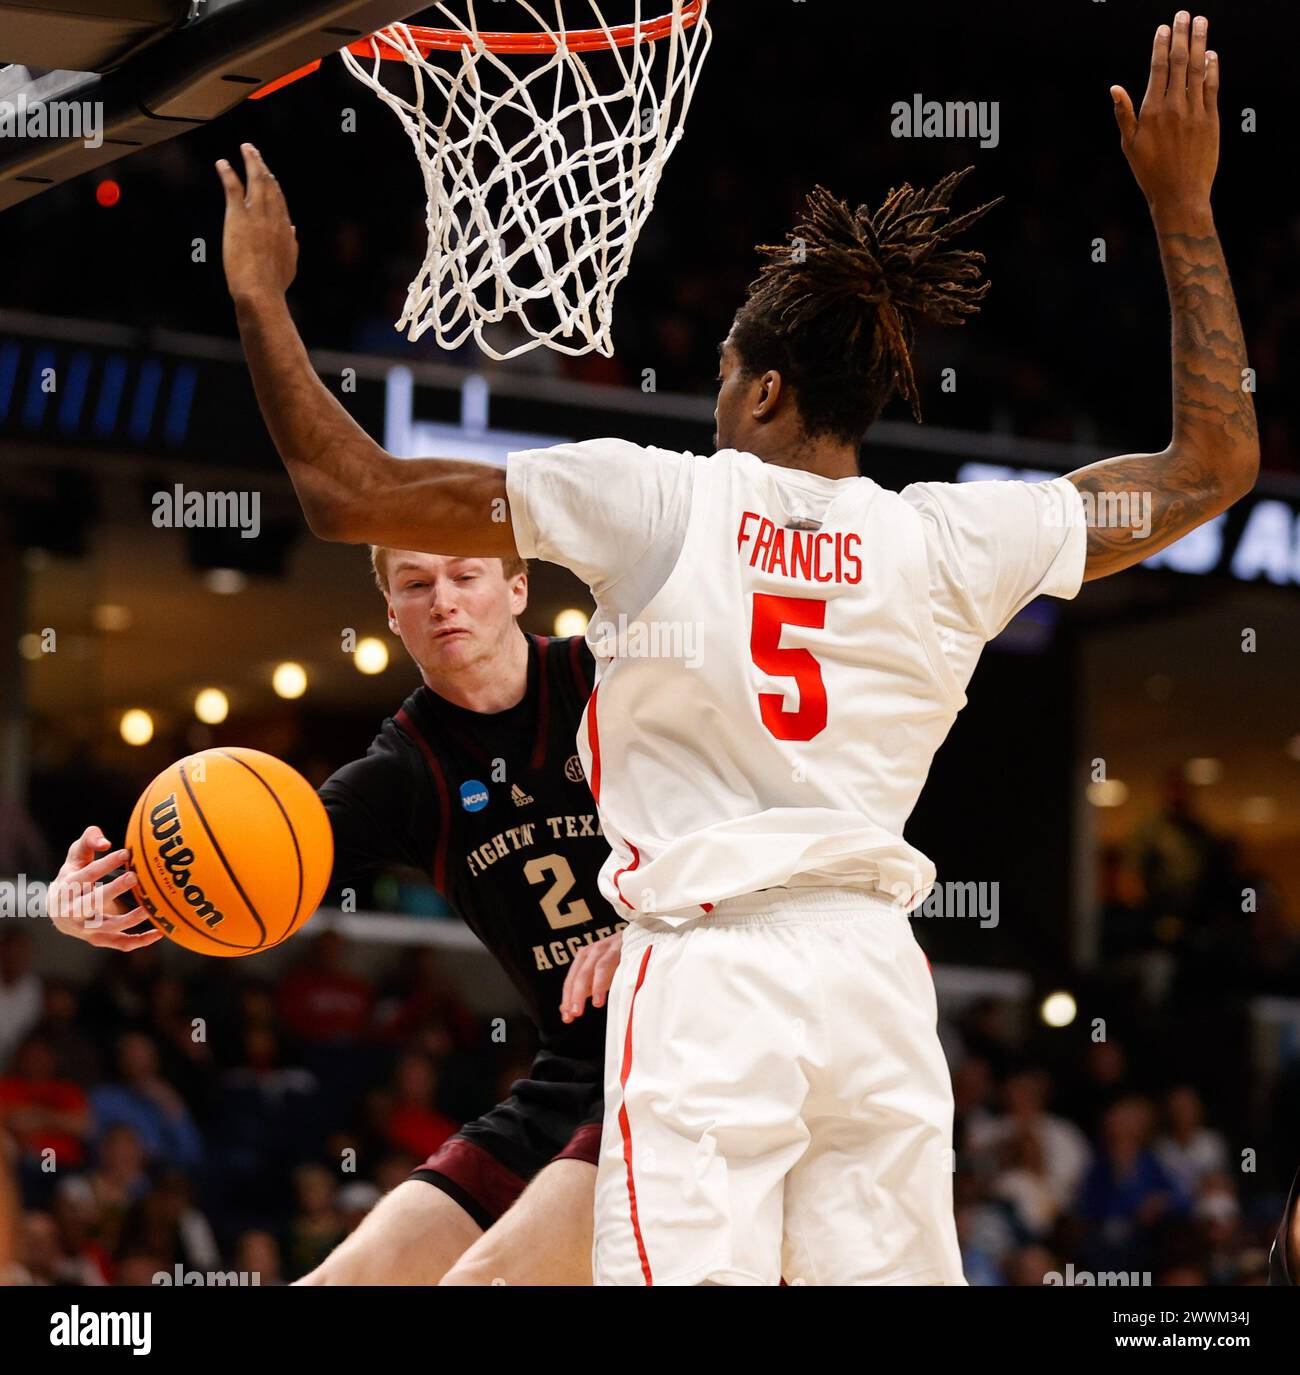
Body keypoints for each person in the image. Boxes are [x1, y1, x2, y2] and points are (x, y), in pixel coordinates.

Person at [217, 12, 1256, 1285]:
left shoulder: (660, 498)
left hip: (713, 980)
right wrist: (1181, 206)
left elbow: (345, 489)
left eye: (722, 374)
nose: (713, 398)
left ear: (762, 389)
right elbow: (1214, 465)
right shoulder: (950, 541)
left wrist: (260, 301)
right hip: (875, 979)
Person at [46, 549, 627, 1285]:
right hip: (573, 1074)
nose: (442, 599)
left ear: (518, 587)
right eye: (415, 584)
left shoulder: (614, 680)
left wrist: (655, 931)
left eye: (464, 576)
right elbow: (233, 883)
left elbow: (776, 820)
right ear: (391, 613)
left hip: (686, 1051)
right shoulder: (406, 769)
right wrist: (81, 903)